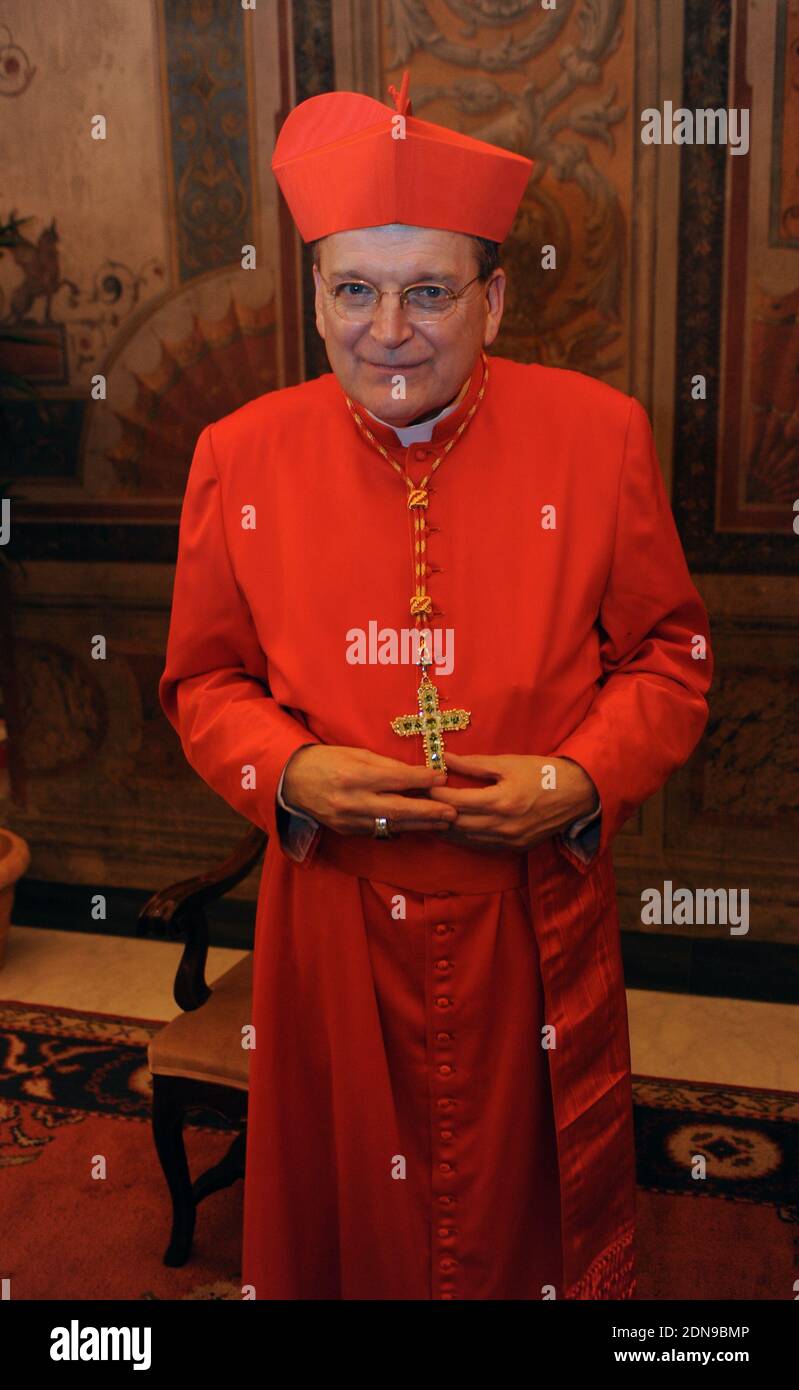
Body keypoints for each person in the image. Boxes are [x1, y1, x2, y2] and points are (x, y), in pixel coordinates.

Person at [158, 71, 713, 1300]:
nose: (387, 330)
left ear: (495, 298)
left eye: (428, 292)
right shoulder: (236, 456)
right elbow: (204, 677)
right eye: (353, 288)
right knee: (343, 1220)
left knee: (523, 1226)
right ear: (313, 295)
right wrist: (290, 769)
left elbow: (672, 659)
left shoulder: (600, 435)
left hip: (531, 915)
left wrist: (574, 782)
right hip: (329, 925)